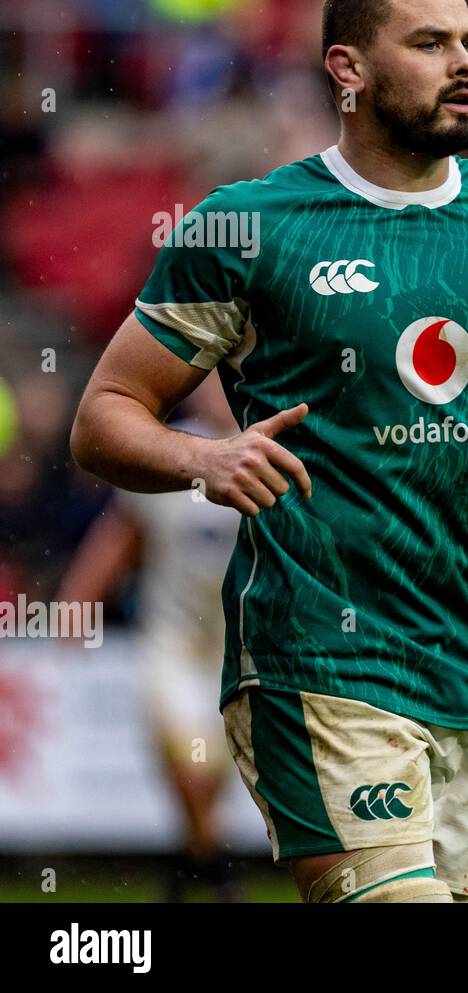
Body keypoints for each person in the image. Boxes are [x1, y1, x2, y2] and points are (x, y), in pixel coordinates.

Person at [70, 0, 468, 904]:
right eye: (428, 43)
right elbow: (102, 418)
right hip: (316, 657)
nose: (463, 63)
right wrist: (202, 457)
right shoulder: (248, 227)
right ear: (347, 69)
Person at [57, 373, 243, 901]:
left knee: (212, 776)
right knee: (190, 767)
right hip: (173, 641)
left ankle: (186, 873)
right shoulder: (168, 453)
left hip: (238, 650)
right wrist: (79, 601)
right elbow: (119, 539)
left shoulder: (271, 452)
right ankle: (224, 881)